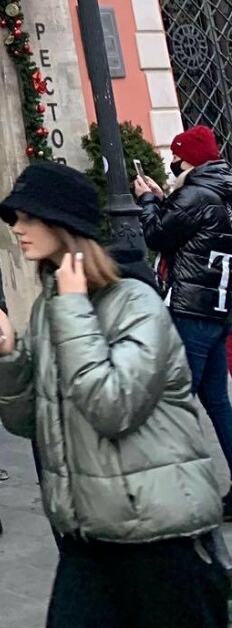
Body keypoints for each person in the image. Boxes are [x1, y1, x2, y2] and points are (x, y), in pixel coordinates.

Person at [0, 160, 228, 628]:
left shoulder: (134, 301)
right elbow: (30, 423)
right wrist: (7, 354)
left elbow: (112, 407)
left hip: (160, 537)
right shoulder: (51, 308)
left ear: (63, 224)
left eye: (28, 218)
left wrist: (72, 308)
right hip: (88, 538)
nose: (17, 230)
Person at [133, 123, 232, 517]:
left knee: (172, 405)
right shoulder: (220, 190)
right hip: (219, 310)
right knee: (218, 402)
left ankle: (180, 497)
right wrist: (165, 198)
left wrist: (147, 201)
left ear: (188, 159)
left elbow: (157, 235)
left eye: (176, 158)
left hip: (191, 311)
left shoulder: (195, 194)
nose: (172, 164)